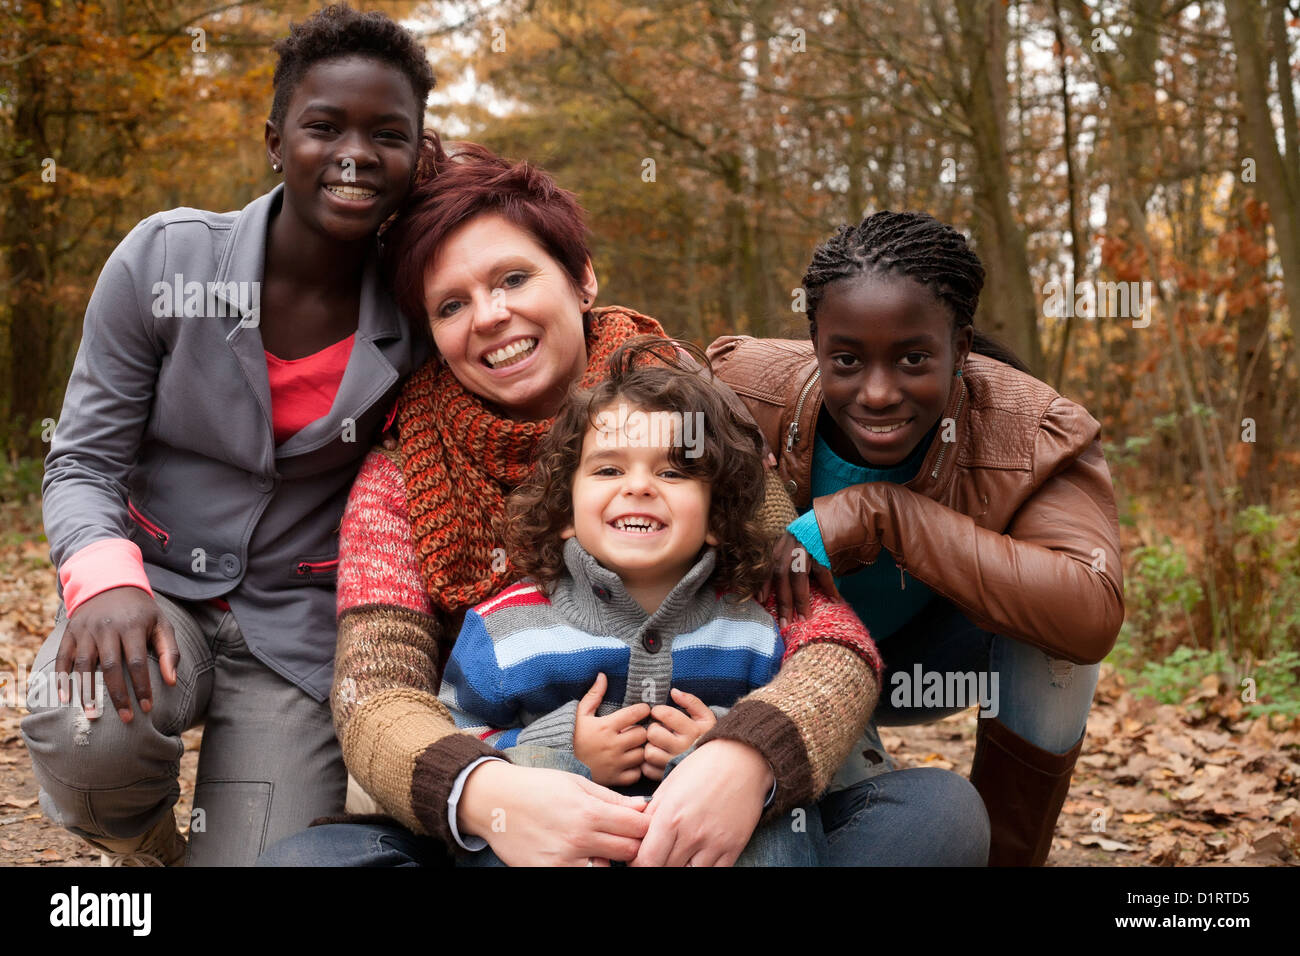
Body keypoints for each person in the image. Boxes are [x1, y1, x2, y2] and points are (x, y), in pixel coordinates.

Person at [257, 145, 989, 867]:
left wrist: (748, 758)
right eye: (452, 304)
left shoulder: (692, 412)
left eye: (513, 278)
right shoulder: (401, 474)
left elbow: (824, 635)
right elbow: (373, 692)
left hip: (721, 808)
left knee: (937, 816)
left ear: (581, 279)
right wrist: (490, 794)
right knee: (309, 863)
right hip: (516, 807)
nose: (490, 316)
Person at [21, 4, 436, 866]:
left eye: (387, 134)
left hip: (296, 634)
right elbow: (84, 461)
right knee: (87, 734)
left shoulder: (425, 307)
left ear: (417, 156)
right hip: (153, 588)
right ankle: (144, 846)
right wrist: (103, 582)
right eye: (324, 126)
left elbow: (547, 317)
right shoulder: (164, 261)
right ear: (275, 141)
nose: (355, 153)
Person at [709, 210, 1125, 866]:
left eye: (912, 359)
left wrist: (884, 514)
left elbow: (1090, 613)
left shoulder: (1034, 431)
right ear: (815, 342)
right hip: (790, 660)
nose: (877, 393)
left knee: (1057, 644)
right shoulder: (741, 390)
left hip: (928, 666)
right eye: (846, 359)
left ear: (960, 348)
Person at [438, 338, 828, 865]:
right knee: (517, 789)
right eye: (608, 470)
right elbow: (456, 738)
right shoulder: (507, 627)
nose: (639, 486)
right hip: (560, 843)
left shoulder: (752, 630)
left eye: (672, 472)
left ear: (716, 519)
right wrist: (560, 746)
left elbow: (786, 736)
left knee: (775, 810)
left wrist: (724, 739)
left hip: (703, 846)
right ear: (566, 511)